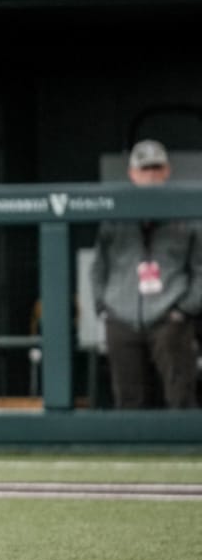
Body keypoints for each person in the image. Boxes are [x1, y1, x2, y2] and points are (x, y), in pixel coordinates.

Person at [90, 139, 202, 409]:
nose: (150, 175)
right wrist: (103, 307)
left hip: (169, 319)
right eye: (144, 169)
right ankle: (131, 451)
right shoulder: (114, 215)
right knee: (128, 399)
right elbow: (99, 266)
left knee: (181, 396)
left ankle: (187, 452)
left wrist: (183, 309)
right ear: (132, 174)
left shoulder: (187, 214)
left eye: (156, 168)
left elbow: (200, 268)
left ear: (166, 171)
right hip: (121, 317)